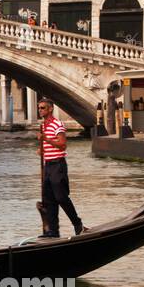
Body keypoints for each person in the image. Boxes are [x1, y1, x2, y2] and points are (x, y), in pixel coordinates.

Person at [37, 98, 87, 237]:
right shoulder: (43, 126)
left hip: (58, 165)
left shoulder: (57, 124)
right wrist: (41, 149)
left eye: (43, 108)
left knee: (61, 197)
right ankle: (53, 232)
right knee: (49, 200)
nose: (40, 110)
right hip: (48, 165)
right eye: (39, 108)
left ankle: (77, 224)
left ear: (50, 109)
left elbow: (62, 144)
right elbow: (47, 145)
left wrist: (45, 139)